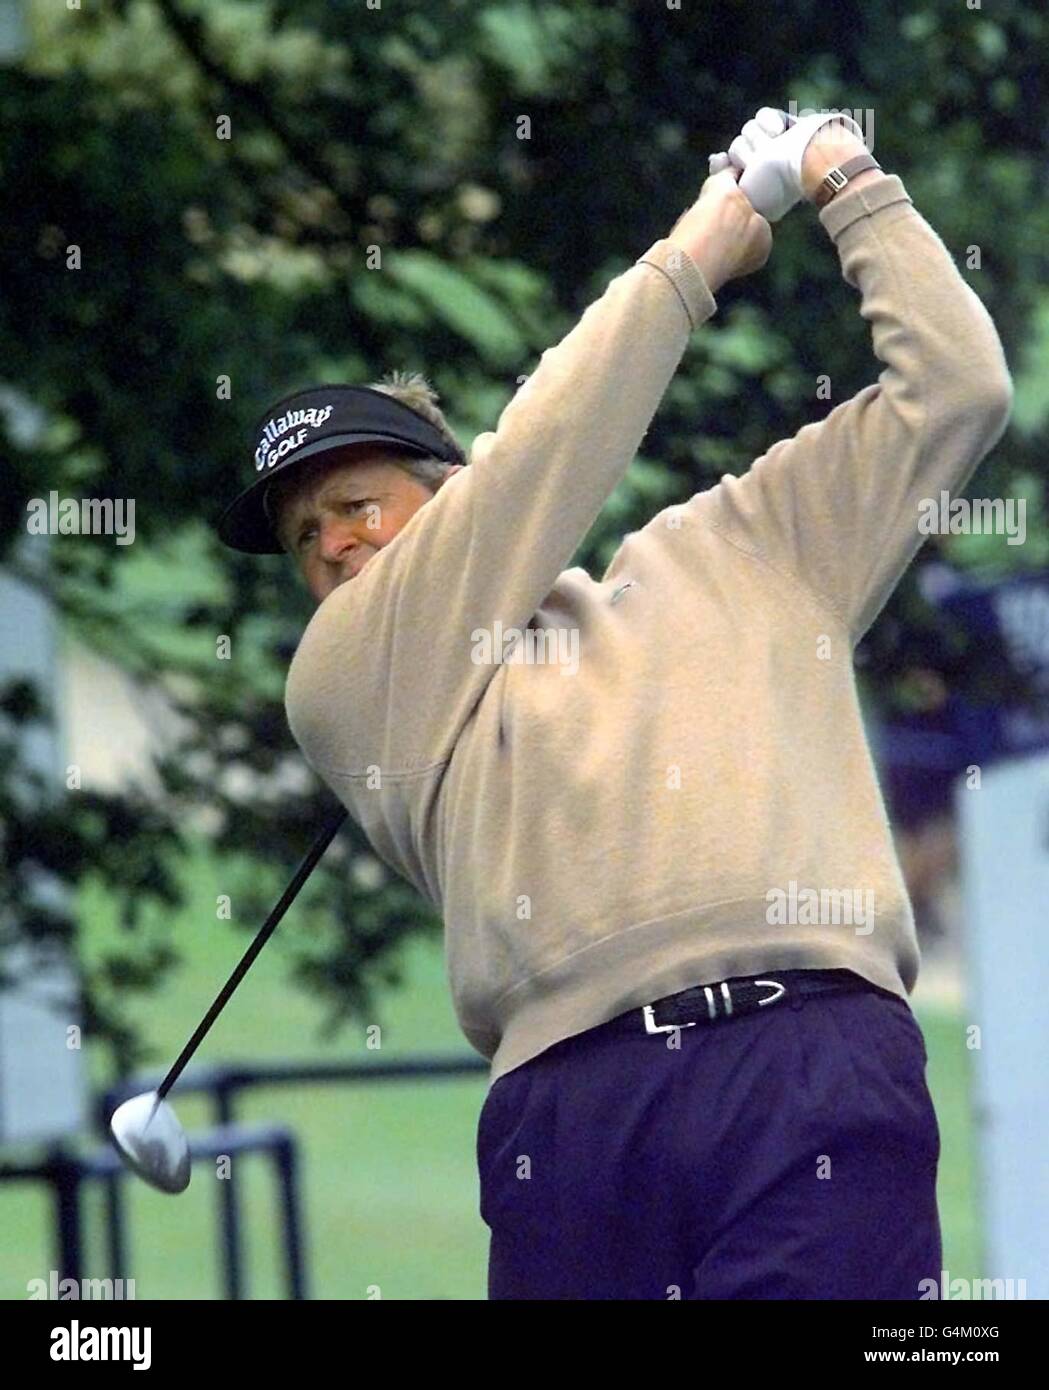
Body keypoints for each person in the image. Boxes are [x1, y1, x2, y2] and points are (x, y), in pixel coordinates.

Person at [215, 108, 1013, 1299]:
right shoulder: (345, 683)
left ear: (448, 492)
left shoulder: (740, 548)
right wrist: (702, 247)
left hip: (814, 1066)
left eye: (355, 505)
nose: (330, 547)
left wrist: (839, 173)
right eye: (302, 536)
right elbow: (544, 457)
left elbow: (955, 388)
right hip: (571, 1120)